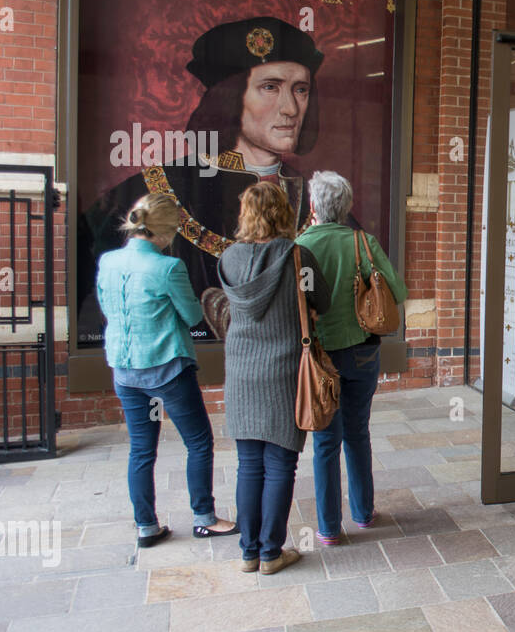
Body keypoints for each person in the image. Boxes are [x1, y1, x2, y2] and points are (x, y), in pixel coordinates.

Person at [80, 16, 325, 343]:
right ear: (231, 95)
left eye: (301, 90)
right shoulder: (148, 190)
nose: (291, 109)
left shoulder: (314, 194)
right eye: (270, 87)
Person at [94, 192, 237, 547]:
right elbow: (191, 316)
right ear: (165, 232)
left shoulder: (108, 262)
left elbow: (107, 307)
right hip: (167, 367)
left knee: (141, 450)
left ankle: (146, 527)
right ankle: (204, 518)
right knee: (199, 442)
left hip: (125, 369)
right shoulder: (168, 267)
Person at [218, 182, 331, 574]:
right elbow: (323, 301)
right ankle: (270, 552)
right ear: (284, 212)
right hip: (285, 373)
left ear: (245, 214)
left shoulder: (229, 259)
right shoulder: (298, 259)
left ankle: (249, 552)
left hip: (242, 372)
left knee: (249, 464)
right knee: (282, 464)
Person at [295, 172, 407, 545]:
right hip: (361, 354)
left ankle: (328, 529)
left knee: (326, 442)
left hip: (320, 357)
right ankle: (363, 512)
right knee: (358, 433)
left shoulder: (300, 246)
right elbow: (398, 291)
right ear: (348, 207)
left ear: (313, 207)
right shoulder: (364, 242)